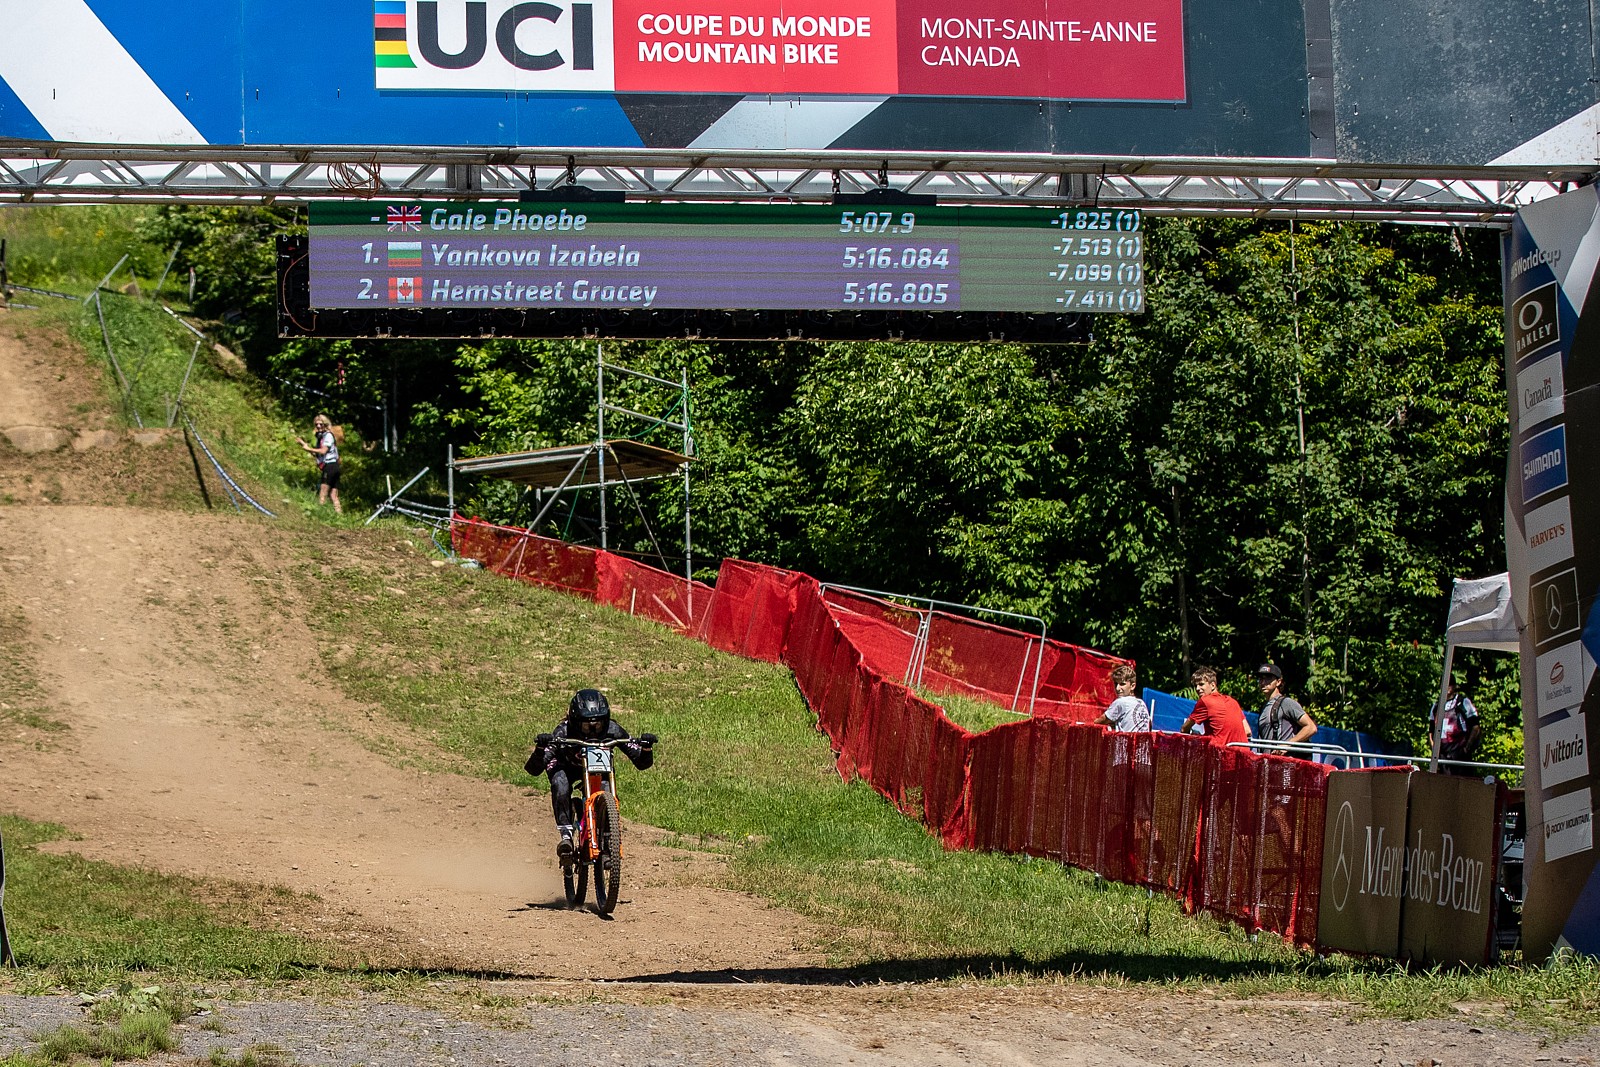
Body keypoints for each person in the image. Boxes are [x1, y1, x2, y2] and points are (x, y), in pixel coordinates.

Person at [524, 689, 655, 859]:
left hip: (598, 769)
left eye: (598, 725)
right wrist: (540, 748)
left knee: (606, 787)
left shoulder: (613, 730)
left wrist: (646, 748)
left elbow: (641, 762)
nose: (593, 731)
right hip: (566, 767)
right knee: (560, 784)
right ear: (575, 722)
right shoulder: (562, 732)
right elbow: (534, 769)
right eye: (587, 726)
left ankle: (608, 838)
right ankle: (566, 836)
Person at [1179, 666, 1250, 746]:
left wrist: (1197, 736)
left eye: (1201, 684)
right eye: (1195, 686)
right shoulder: (1233, 702)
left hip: (1221, 754)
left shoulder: (1205, 701)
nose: (1197, 688)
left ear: (1213, 685)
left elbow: (1184, 729)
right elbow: (1247, 731)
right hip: (1243, 755)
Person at [1254, 663, 1317, 752]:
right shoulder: (1264, 706)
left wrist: (1287, 745)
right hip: (1268, 762)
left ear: (1278, 682)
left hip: (1285, 763)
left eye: (1268, 678)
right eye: (1261, 678)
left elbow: (1311, 727)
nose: (1263, 682)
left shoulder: (1286, 703)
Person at [294, 414, 342, 514]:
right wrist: (304, 445)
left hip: (330, 467)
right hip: (333, 467)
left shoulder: (328, 436)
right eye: (316, 425)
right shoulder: (322, 437)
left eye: (321, 424)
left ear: (325, 424)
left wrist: (309, 448)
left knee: (322, 493)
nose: (318, 426)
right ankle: (340, 516)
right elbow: (317, 454)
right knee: (333, 495)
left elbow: (323, 451)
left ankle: (319, 515)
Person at [1433, 678, 1482, 775]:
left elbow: (1475, 726)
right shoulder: (1436, 706)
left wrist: (1466, 748)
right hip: (1443, 754)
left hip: (1460, 753)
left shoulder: (1463, 702)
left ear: (1454, 686)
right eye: (1444, 684)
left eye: (1450, 684)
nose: (1447, 687)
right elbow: (1431, 731)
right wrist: (1435, 750)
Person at [1095, 664, 1152, 731]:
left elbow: (1099, 722)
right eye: (1116, 684)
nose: (1117, 688)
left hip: (1128, 740)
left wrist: (1095, 721)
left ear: (1132, 686)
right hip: (1143, 741)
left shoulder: (1121, 702)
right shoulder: (1141, 703)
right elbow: (1149, 724)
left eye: (1122, 684)